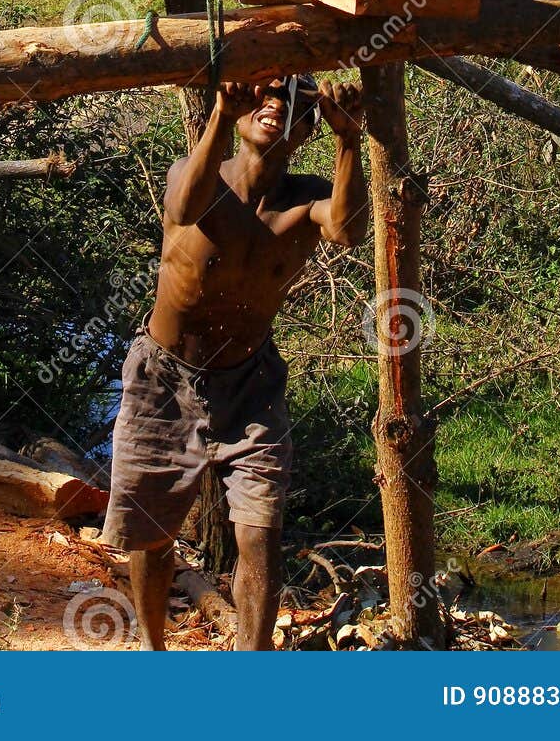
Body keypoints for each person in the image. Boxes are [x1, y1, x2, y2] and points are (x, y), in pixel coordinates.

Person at [100, 74, 367, 650]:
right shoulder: (198, 176)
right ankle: (152, 651)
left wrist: (350, 139)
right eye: (265, 96)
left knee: (260, 535)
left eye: (292, 104)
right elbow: (183, 205)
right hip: (163, 379)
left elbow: (348, 229)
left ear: (305, 130)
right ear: (242, 113)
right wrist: (220, 115)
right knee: (150, 534)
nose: (274, 106)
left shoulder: (307, 199)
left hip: (251, 385)